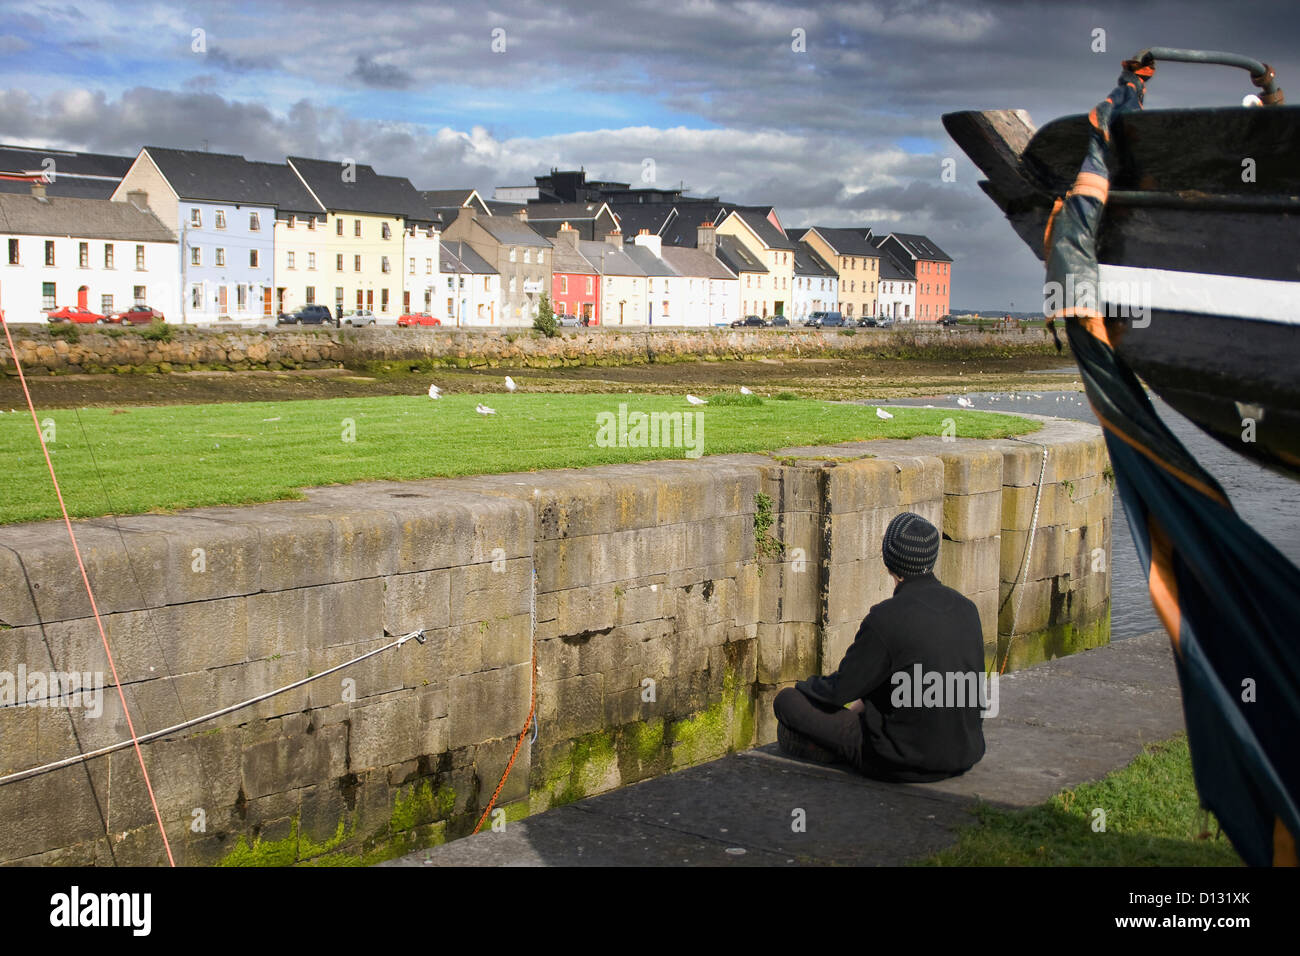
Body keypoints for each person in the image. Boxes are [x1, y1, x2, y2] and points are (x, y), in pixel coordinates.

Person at [772, 511, 986, 782]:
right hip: (963, 753)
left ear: (888, 559)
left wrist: (805, 689)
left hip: (900, 757)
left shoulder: (886, 617)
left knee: (787, 701)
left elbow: (839, 691)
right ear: (931, 558)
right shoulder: (967, 609)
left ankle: (834, 750)